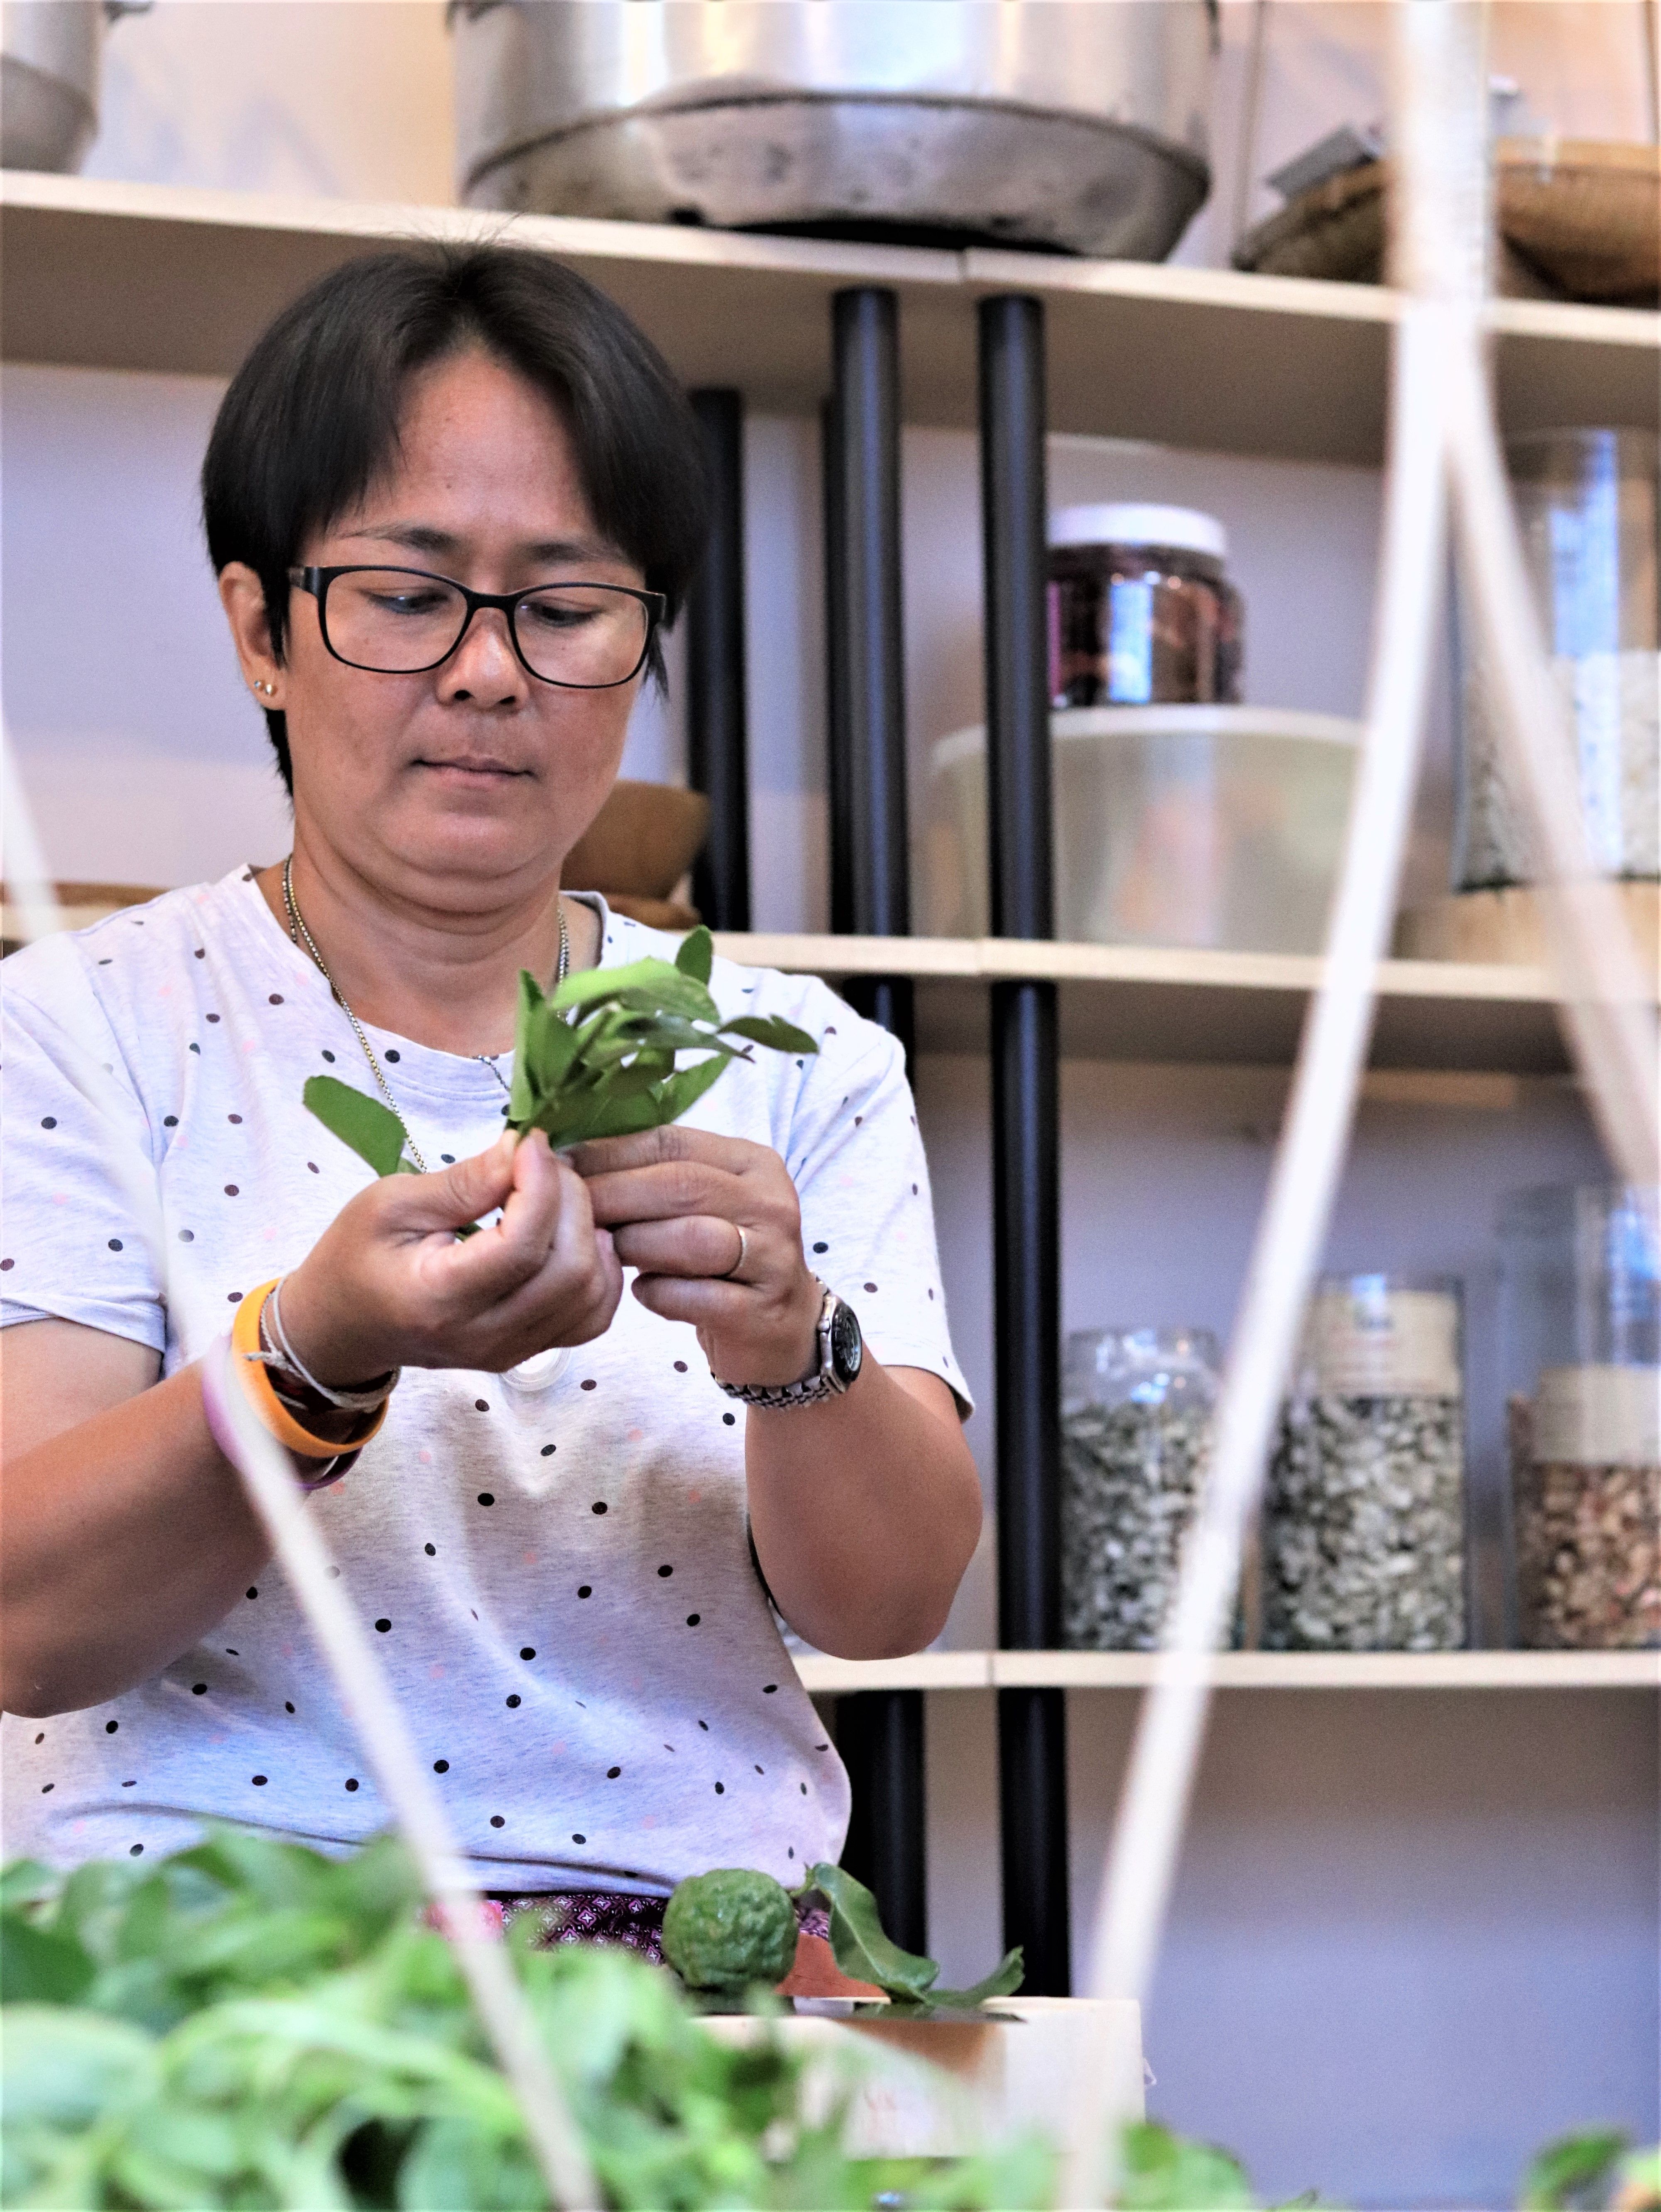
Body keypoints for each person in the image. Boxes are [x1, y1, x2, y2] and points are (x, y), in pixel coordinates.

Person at [0, 244, 981, 1940]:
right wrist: (309, 1351)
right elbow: (26, 1616)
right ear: (261, 630)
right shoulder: (80, 1027)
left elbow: (891, 1607)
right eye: (406, 592)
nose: (486, 670)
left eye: (565, 603)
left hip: (693, 1955)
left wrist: (793, 1345)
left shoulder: (796, 1058)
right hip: (207, 1962)